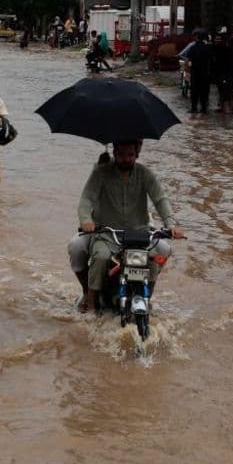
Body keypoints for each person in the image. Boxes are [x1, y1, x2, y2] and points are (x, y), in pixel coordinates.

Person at [68, 140, 185, 314]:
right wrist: (86, 220)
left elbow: (160, 199)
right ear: (115, 153)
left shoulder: (144, 174)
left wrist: (171, 224)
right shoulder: (100, 173)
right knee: (100, 258)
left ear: (137, 154)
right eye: (122, 154)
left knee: (155, 258)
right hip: (107, 234)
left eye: (130, 155)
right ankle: (90, 301)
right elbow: (86, 199)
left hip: (139, 234)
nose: (126, 159)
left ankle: (146, 298)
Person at [187, 30, 212, 114]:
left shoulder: (193, 47)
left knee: (194, 91)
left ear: (197, 37)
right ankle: (204, 108)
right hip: (205, 73)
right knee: (204, 90)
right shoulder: (208, 47)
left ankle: (194, 108)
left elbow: (189, 60)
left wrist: (189, 68)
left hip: (195, 72)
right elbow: (211, 60)